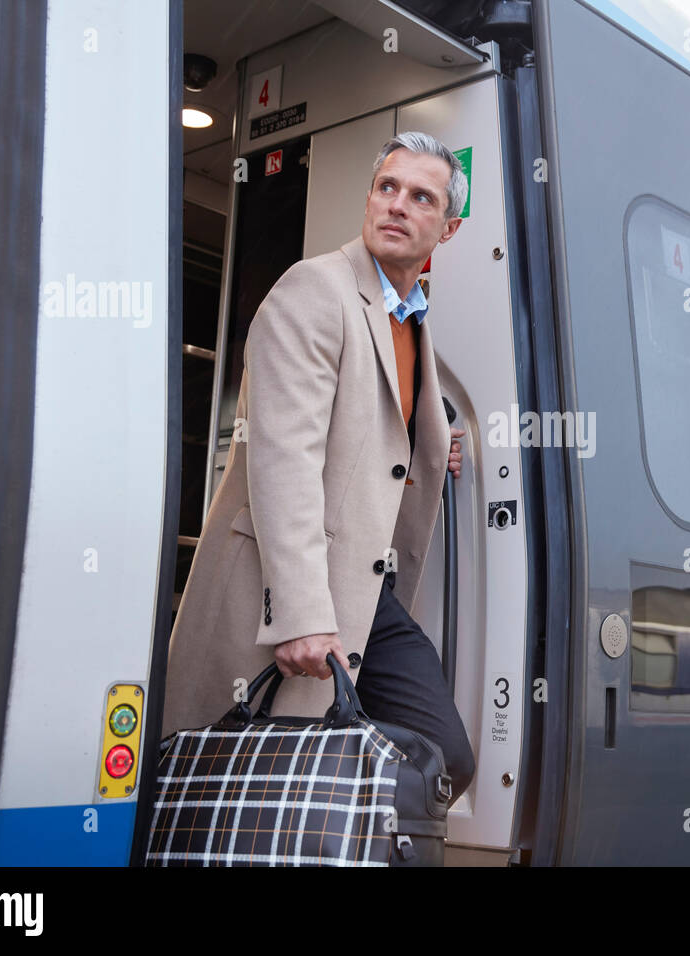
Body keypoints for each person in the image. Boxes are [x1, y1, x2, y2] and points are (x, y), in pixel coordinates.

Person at [159, 131, 476, 801]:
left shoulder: (409, 315)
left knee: (440, 757)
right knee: (241, 793)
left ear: (445, 231)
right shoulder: (315, 289)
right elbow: (285, 458)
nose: (397, 205)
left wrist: (430, 442)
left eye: (421, 197)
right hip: (288, 588)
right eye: (387, 188)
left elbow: (372, 426)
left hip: (366, 589)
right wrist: (301, 613)